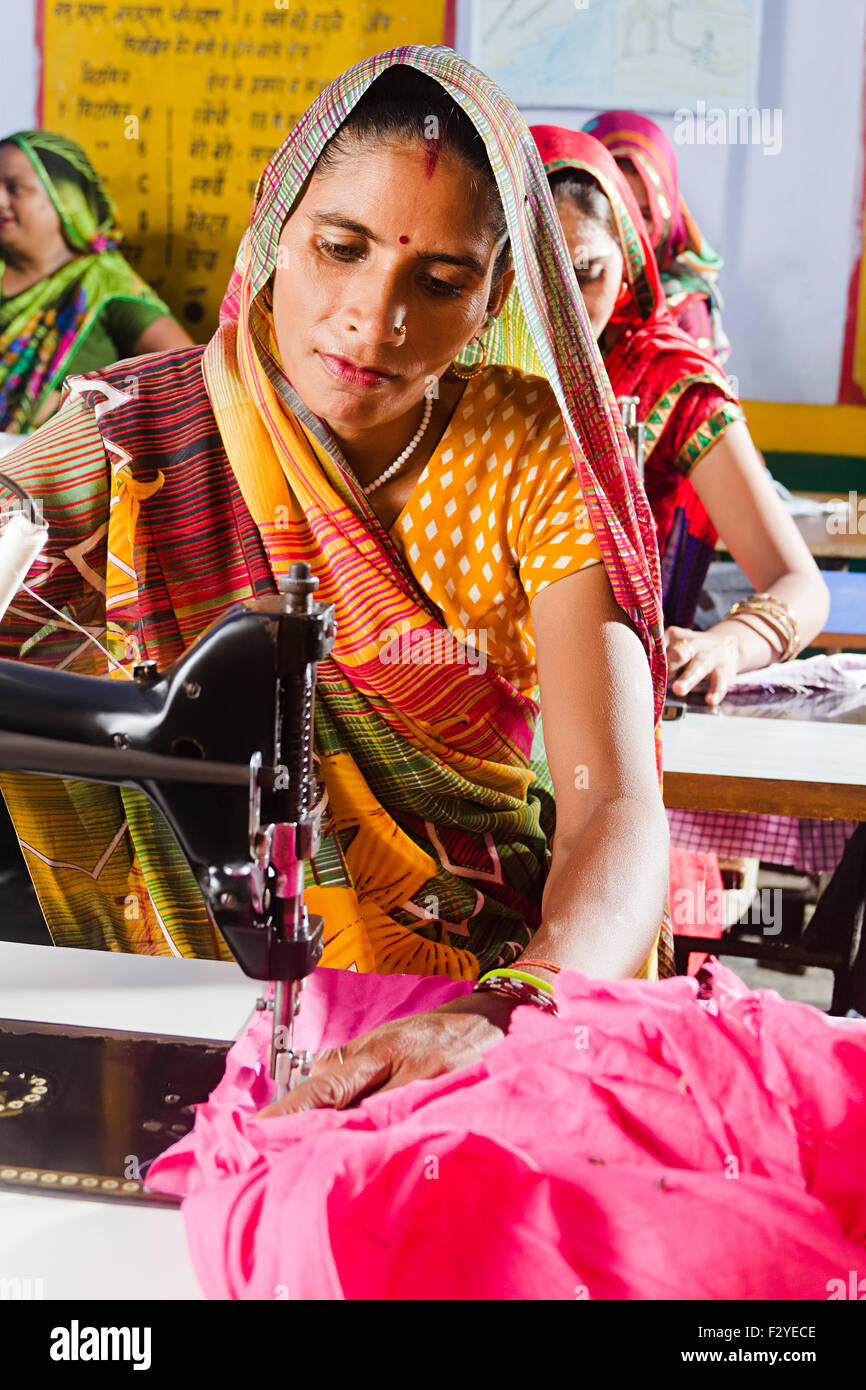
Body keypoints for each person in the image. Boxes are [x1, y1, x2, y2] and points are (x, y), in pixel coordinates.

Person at [0, 48, 674, 1108]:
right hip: (190, 988)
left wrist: (514, 1005)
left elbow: (614, 806)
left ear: (496, 291)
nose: (375, 316)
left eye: (440, 280)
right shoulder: (129, 432)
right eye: (339, 248)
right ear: (277, 229)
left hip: (481, 986)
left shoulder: (528, 451)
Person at [531, 126, 828, 704]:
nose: (562, 302)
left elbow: (802, 586)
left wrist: (729, 644)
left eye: (587, 271)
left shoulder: (671, 383)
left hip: (614, 700)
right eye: (541, 270)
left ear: (631, 260)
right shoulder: (457, 365)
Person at [0, 130, 194, 434]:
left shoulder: (105, 283)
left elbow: (191, 378)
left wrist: (85, 402)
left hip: (58, 474)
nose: (0, 199)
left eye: (16, 188)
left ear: (65, 199)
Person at [582, 109, 730, 362]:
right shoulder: (544, 293)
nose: (629, 232)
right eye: (616, 213)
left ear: (666, 213)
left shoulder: (683, 313)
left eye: (644, 214)